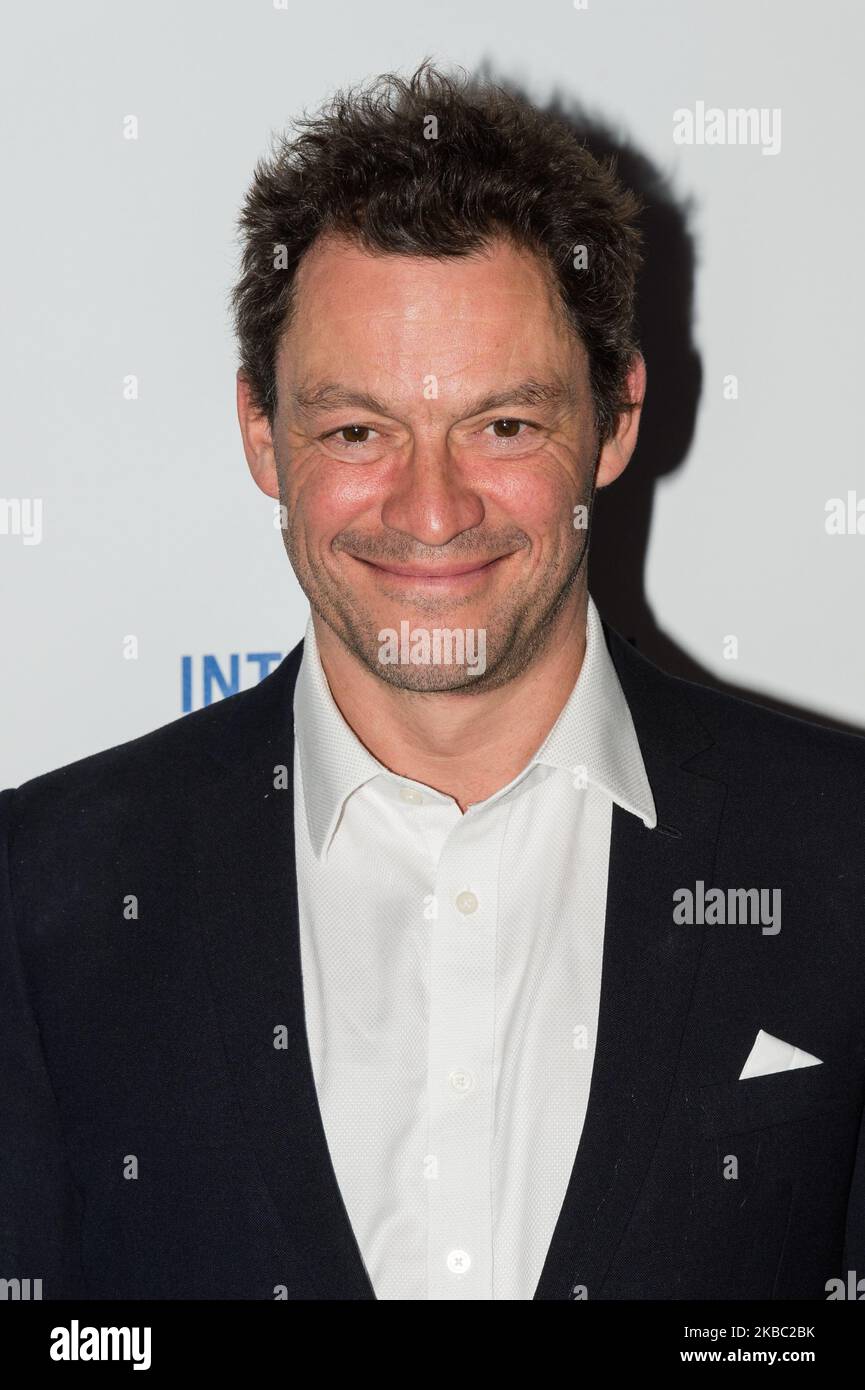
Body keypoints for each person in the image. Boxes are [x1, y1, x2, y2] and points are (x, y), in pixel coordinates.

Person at [2, 61, 863, 1302]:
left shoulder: (840, 853)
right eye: (357, 430)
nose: (430, 507)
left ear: (616, 418)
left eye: (503, 425)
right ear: (261, 435)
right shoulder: (49, 894)